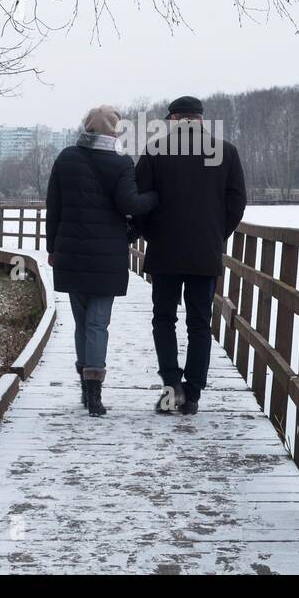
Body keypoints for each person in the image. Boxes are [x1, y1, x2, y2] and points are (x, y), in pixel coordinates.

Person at [134, 95, 246, 414]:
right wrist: (215, 235)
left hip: (165, 252)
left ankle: (172, 388)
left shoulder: (155, 151)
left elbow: (138, 202)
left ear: (172, 120)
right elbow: (237, 203)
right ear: (200, 120)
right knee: (200, 323)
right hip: (204, 254)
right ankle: (193, 393)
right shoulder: (225, 151)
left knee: (164, 319)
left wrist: (152, 234)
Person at [46, 105, 158, 416]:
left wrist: (52, 247)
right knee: (98, 324)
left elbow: (53, 206)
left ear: (86, 127)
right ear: (114, 131)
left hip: (69, 253)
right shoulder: (119, 163)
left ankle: (86, 389)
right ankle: (94, 394)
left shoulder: (66, 158)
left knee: (82, 323)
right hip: (107, 256)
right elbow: (130, 203)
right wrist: (156, 198)